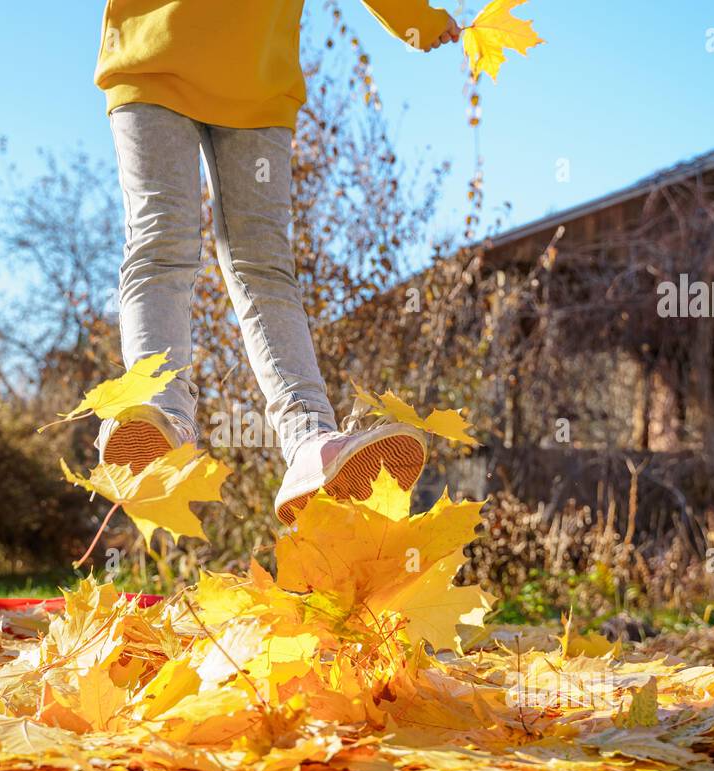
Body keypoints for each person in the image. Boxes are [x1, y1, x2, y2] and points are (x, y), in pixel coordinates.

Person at [93, 0, 460, 523]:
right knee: (166, 242)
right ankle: (159, 416)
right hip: (153, 54)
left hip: (256, 84)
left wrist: (415, 19)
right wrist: (417, 22)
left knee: (255, 264)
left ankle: (310, 441)